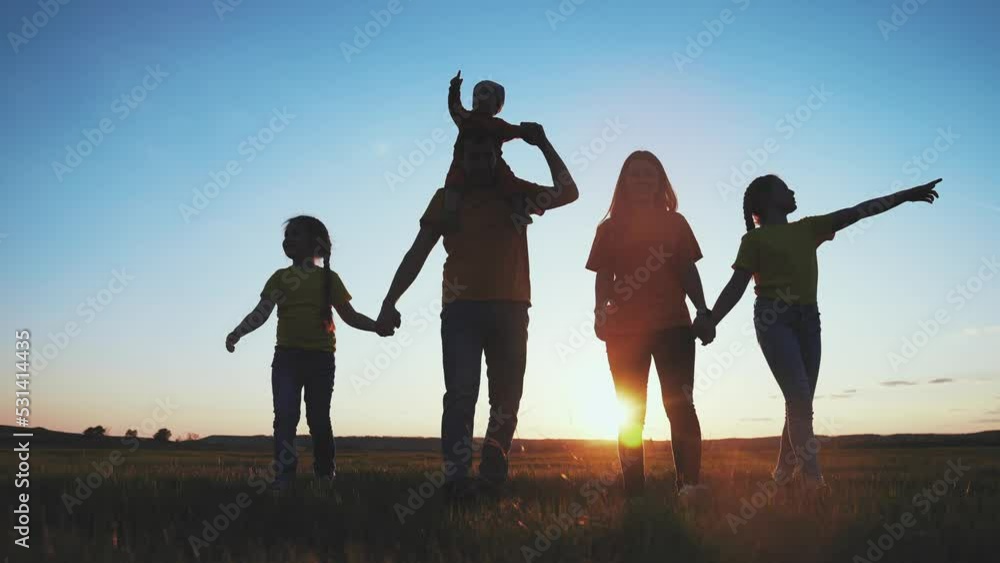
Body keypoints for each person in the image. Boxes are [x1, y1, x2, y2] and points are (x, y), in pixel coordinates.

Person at [376, 123, 579, 499]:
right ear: (461, 159)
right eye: (473, 156)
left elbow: (569, 192)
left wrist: (544, 143)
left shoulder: (516, 195)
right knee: (460, 392)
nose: (481, 162)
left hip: (512, 308)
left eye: (488, 155)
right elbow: (417, 252)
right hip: (461, 310)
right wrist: (390, 301)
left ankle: (492, 469)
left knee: (507, 395)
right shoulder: (447, 200)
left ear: (497, 156)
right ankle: (456, 477)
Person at [705, 175, 944, 489]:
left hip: (808, 321)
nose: (792, 190)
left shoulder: (808, 227)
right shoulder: (754, 241)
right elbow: (736, 287)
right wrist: (711, 321)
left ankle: (780, 476)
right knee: (800, 399)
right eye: (784, 187)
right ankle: (813, 481)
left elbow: (860, 211)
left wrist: (906, 195)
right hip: (773, 319)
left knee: (799, 402)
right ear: (765, 200)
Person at [225, 215, 392, 491]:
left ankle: (325, 476)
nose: (288, 239)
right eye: (286, 235)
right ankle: (284, 478)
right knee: (285, 418)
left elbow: (349, 316)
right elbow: (261, 313)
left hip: (321, 360)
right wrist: (238, 332)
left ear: (316, 245)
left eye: (296, 234)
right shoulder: (279, 278)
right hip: (286, 359)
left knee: (318, 418)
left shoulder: (329, 279)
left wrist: (377, 327)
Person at [586, 150, 713, 500]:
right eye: (635, 174)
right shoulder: (609, 228)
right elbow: (602, 276)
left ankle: (689, 486)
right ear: (624, 183)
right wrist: (599, 311)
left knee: (680, 406)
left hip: (674, 327)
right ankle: (634, 493)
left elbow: (688, 269)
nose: (642, 180)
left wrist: (703, 310)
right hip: (624, 332)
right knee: (630, 412)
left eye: (649, 174)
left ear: (660, 183)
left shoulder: (676, 223)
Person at [441, 70, 537, 232]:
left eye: (486, 94)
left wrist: (526, 130)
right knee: (453, 183)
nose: (481, 97)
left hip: (492, 163)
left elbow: (515, 131)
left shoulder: (498, 125)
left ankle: (518, 211)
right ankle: (450, 216)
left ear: (497, 105)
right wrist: (454, 88)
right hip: (463, 161)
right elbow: (454, 106)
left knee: (508, 180)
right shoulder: (466, 118)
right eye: (477, 94)